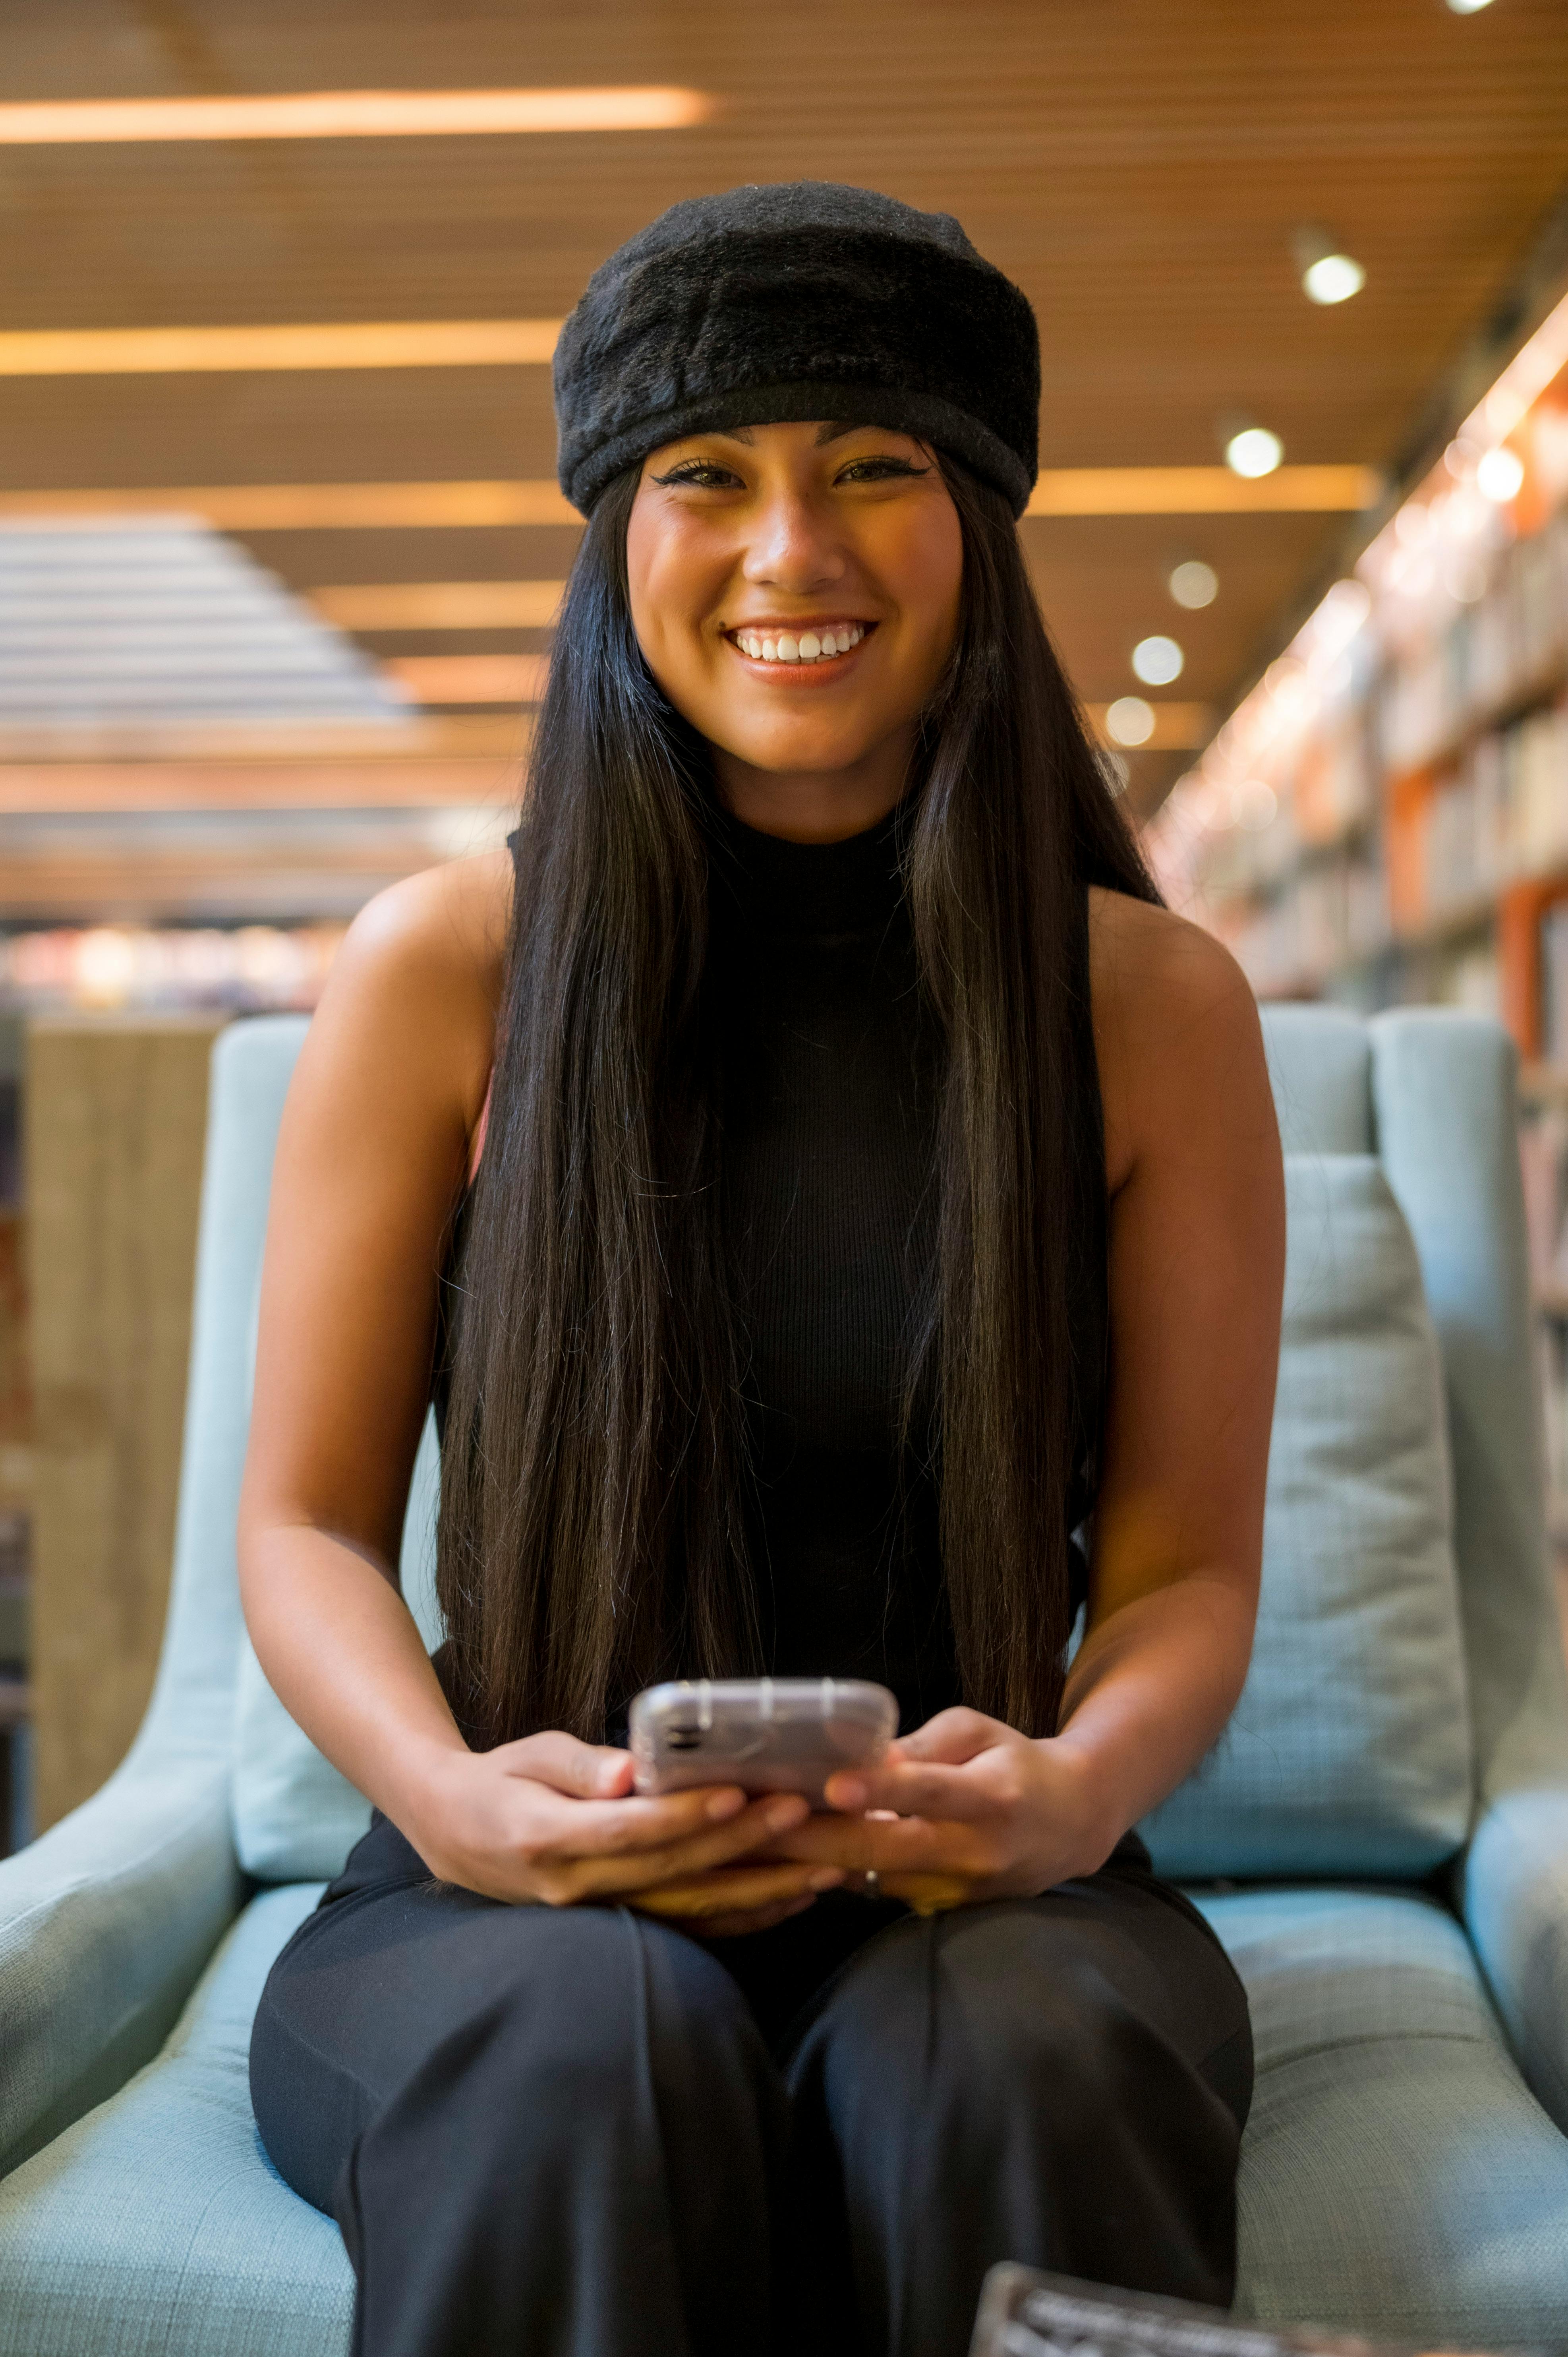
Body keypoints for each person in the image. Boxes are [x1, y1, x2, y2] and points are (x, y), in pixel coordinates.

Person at [240, 182, 1286, 2357]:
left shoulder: (1150, 1005)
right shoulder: (450, 967)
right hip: (506, 1896)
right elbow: (305, 1526)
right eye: (705, 478)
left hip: (995, 1893)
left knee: (1021, 2066)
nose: (788, 553)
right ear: (615, 542)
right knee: (580, 2065)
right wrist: (452, 1803)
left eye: (873, 473)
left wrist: (1077, 1793)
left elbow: (1185, 1568)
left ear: (979, 533)